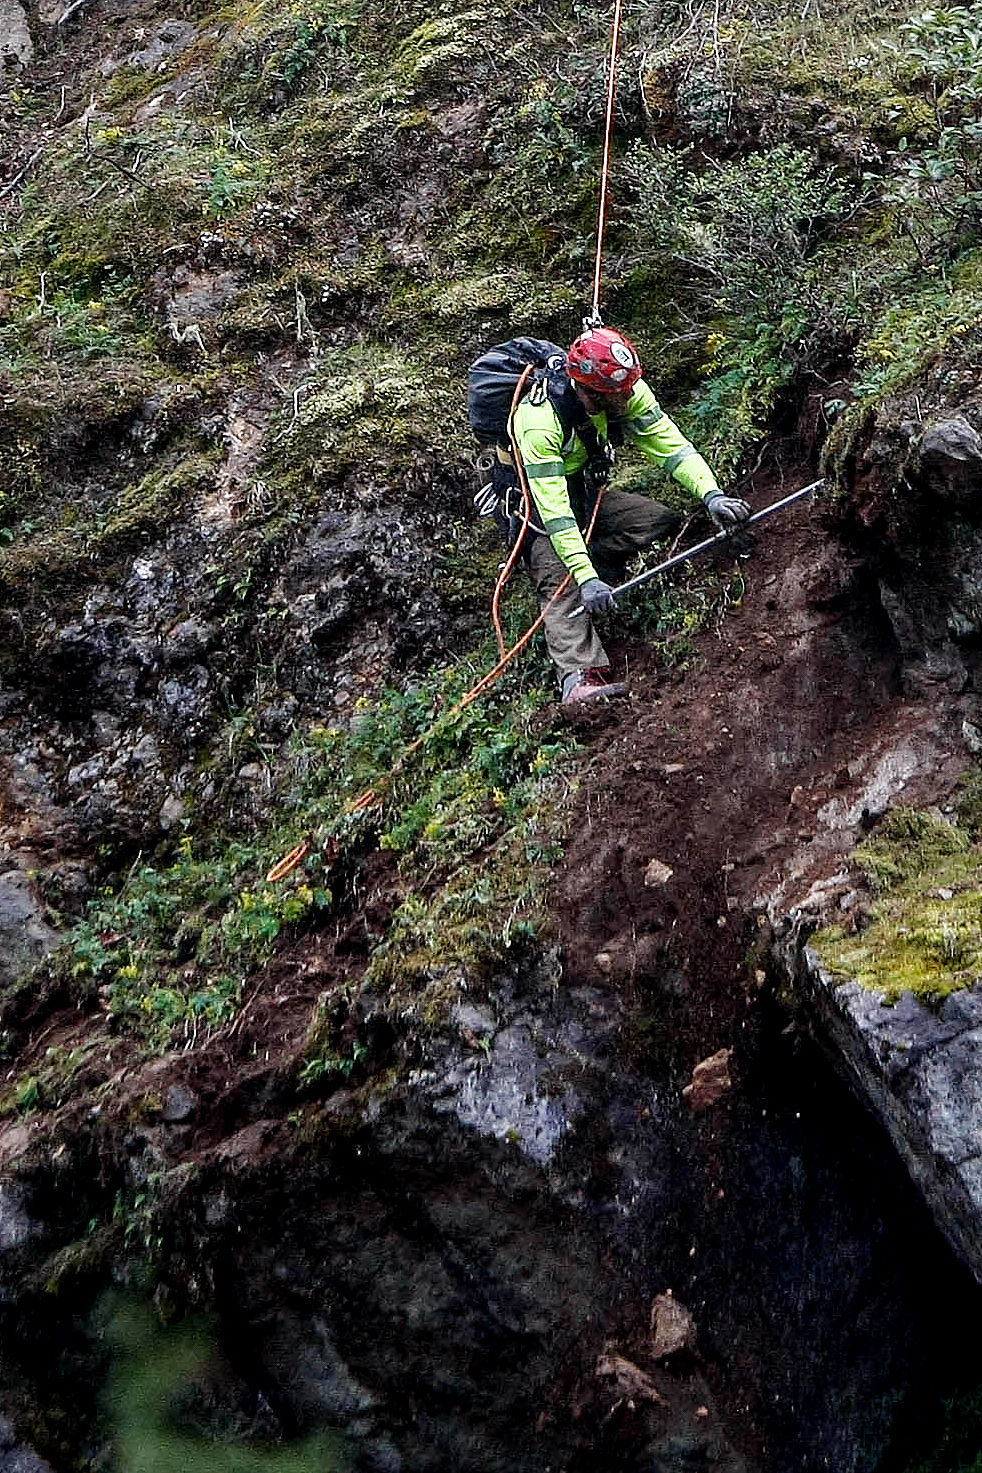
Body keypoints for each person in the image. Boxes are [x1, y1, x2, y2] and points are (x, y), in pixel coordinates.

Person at [502, 325, 750, 704]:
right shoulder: (539, 421)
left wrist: (711, 494)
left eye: (629, 389)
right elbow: (556, 513)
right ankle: (577, 680)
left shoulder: (625, 390)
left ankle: (594, 565)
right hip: (536, 503)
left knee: (657, 521)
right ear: (589, 391)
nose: (629, 397)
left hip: (582, 492)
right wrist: (584, 577)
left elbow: (670, 446)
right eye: (619, 394)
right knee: (561, 583)